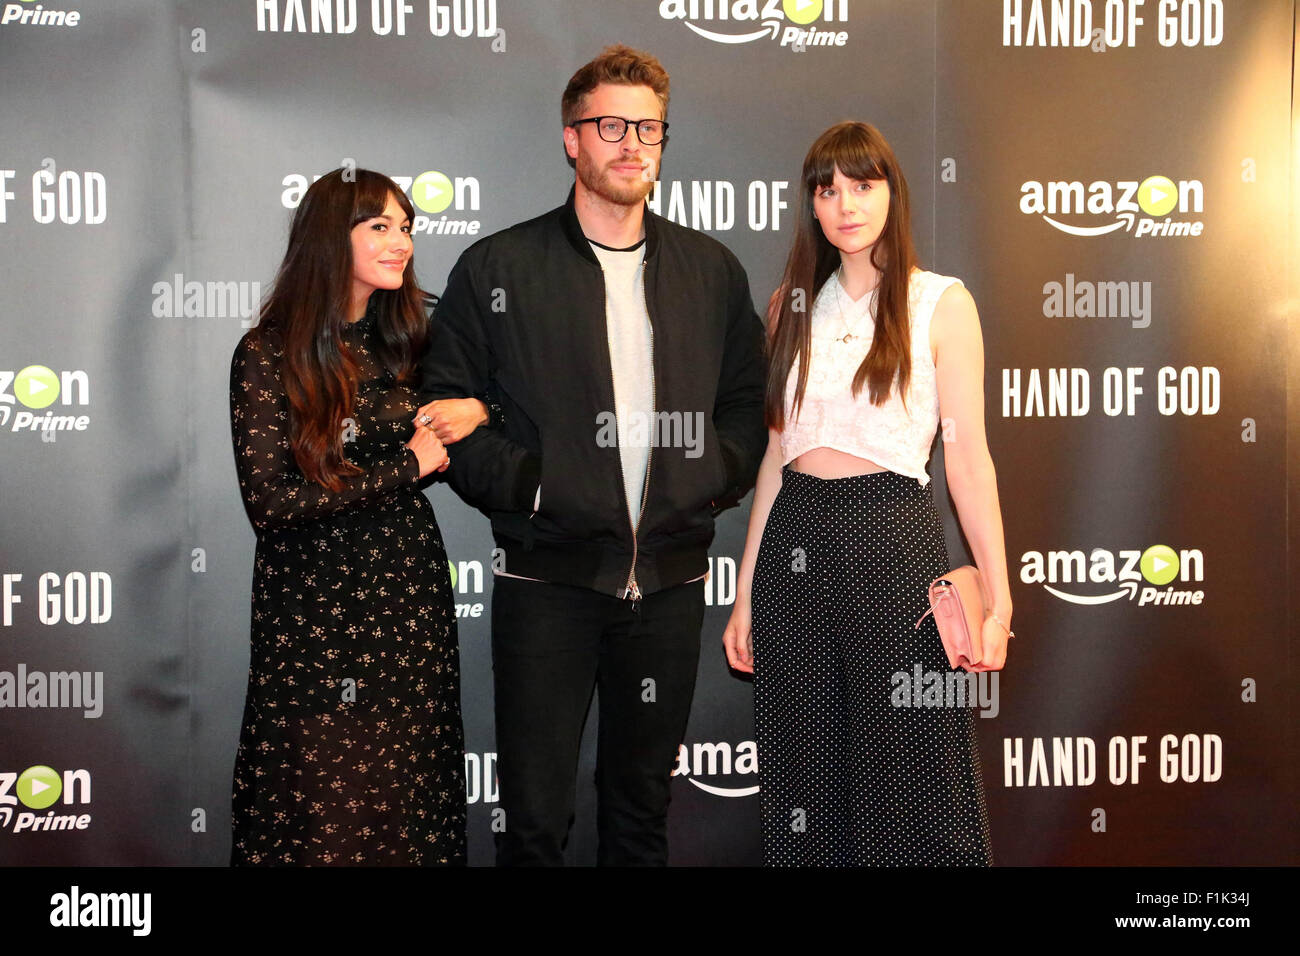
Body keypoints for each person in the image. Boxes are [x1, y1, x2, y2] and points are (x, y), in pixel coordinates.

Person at [417, 45, 767, 866]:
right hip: (549, 587)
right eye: (610, 125)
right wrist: (537, 488)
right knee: (535, 824)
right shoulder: (500, 267)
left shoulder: (709, 271)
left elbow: (749, 407)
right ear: (571, 138)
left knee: (640, 817)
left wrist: (706, 479)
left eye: (648, 127)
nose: (631, 143)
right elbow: (448, 413)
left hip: (672, 587)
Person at [723, 121, 1013, 866]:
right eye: (827, 190)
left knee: (915, 773)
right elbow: (774, 457)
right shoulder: (790, 304)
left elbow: (969, 457)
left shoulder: (942, 303)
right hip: (795, 544)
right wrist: (749, 591)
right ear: (812, 206)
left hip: (895, 542)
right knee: (804, 772)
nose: (845, 204)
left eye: (862, 184)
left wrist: (1000, 596)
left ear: (893, 192)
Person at [229, 168, 483, 865]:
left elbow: (500, 402)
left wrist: (479, 409)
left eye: (406, 227)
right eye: (381, 226)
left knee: (405, 799)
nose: (401, 241)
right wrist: (407, 466)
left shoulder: (410, 344)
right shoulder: (267, 353)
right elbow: (271, 505)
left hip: (406, 604)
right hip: (312, 614)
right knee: (322, 807)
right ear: (329, 238)